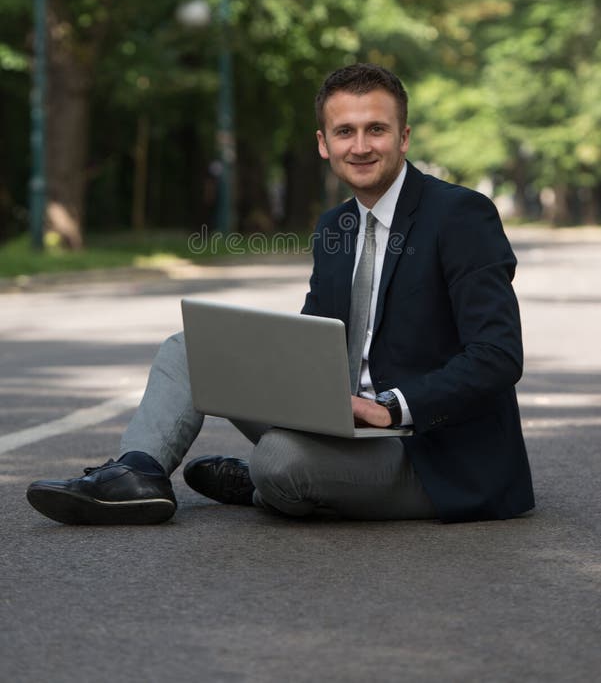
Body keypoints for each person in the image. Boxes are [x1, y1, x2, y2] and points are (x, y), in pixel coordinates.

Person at [27, 63, 534, 525]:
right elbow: (313, 338)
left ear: (403, 137)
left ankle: (262, 485)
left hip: (431, 449)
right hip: (343, 420)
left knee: (280, 461)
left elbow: (498, 354)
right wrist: (291, 382)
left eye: (375, 129)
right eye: (345, 132)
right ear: (323, 143)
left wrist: (393, 406)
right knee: (191, 350)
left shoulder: (461, 216)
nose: (360, 146)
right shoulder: (333, 226)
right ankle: (137, 475)